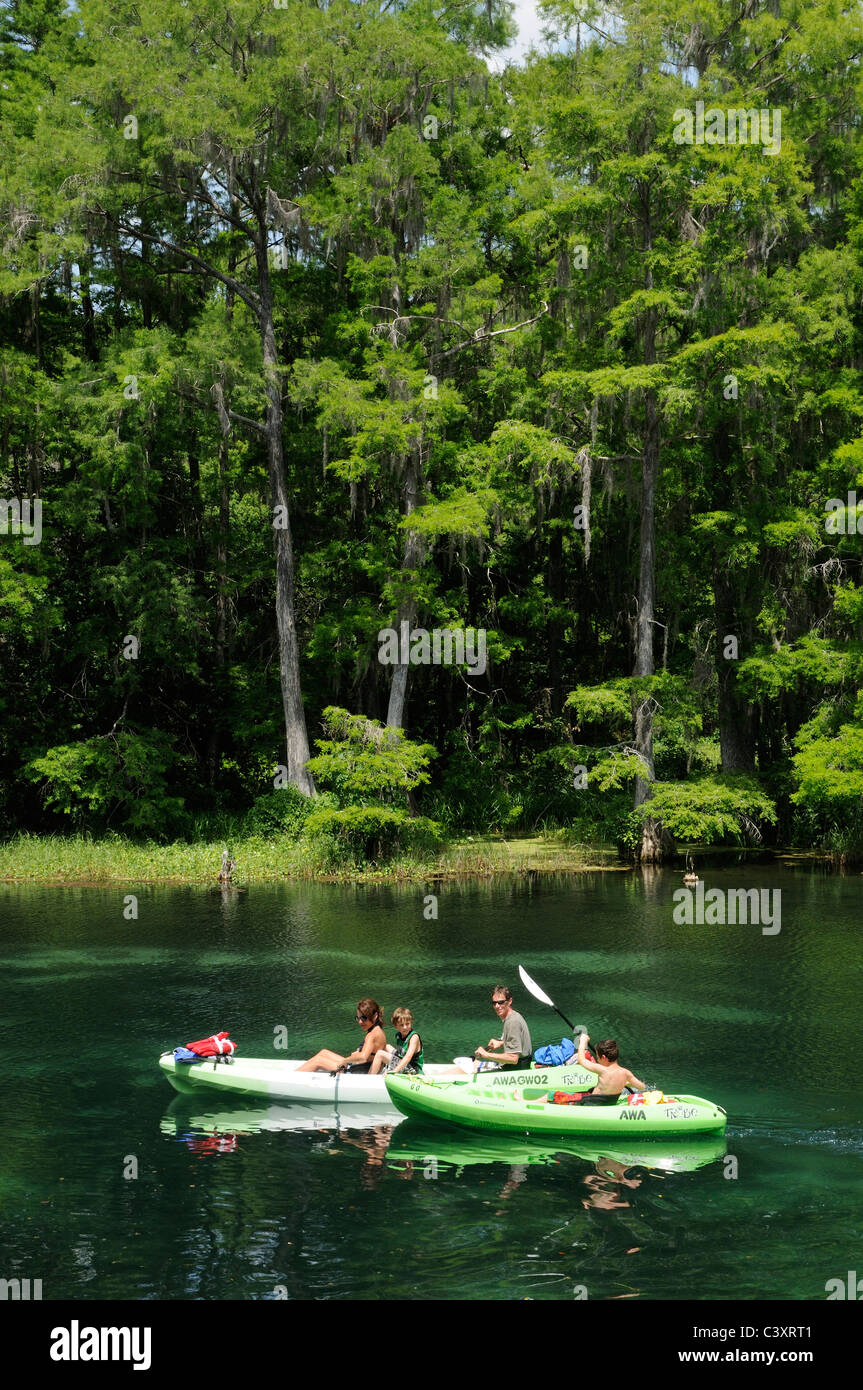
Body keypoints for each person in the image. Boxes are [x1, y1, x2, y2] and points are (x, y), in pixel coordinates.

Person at [548, 1033, 646, 1105]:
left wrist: (583, 1041)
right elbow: (641, 1087)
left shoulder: (602, 1070)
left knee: (552, 1095)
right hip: (606, 1103)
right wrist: (626, 1083)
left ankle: (533, 1105)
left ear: (603, 1057)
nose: (597, 1060)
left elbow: (581, 1060)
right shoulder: (626, 1073)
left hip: (590, 1103)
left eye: (598, 1057)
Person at [295, 999, 386, 1073]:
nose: (360, 1022)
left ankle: (290, 1078)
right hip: (360, 1067)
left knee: (318, 1061)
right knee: (324, 1052)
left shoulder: (372, 1035)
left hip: (356, 1072)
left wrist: (345, 1061)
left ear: (375, 1016)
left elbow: (363, 1057)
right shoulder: (379, 1030)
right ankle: (296, 1073)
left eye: (364, 1018)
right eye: (358, 1018)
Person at [473, 985, 532, 1070]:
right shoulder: (513, 1016)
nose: (497, 1006)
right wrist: (501, 1043)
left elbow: (513, 1058)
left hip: (516, 1070)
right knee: (474, 1063)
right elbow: (518, 1041)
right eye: (494, 1003)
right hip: (516, 1065)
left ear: (510, 1001)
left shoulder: (512, 1022)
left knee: (464, 1070)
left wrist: (486, 1054)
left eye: (501, 1002)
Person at [369, 1007, 424, 1075]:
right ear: (396, 1026)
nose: (405, 1027)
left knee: (380, 1054)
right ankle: (378, 1070)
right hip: (404, 1063)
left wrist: (395, 1070)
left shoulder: (414, 1037)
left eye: (407, 1024)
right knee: (386, 1046)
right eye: (401, 1025)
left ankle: (370, 1077)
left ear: (411, 1022)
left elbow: (408, 1057)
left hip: (412, 1070)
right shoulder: (399, 1035)